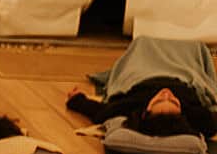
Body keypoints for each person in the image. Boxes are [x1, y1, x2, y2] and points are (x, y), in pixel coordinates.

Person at [65, 36, 217, 138]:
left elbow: (99, 112)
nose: (166, 94)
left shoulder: (131, 105)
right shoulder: (197, 116)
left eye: (158, 101)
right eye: (174, 101)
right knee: (196, 47)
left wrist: (77, 99)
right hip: (182, 70)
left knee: (142, 41)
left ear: (146, 109)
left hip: (145, 70)